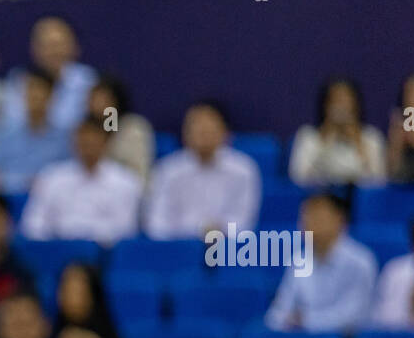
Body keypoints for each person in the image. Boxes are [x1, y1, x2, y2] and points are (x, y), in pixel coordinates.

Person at [144, 102, 261, 240]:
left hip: (227, 247)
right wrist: (194, 234)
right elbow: (156, 223)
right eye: (197, 127)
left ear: (225, 132)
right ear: (185, 133)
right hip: (179, 247)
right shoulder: (168, 170)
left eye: (210, 128)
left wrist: (218, 230)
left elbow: (245, 221)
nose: (204, 133)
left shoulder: (244, 169)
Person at [264, 192, 377, 333]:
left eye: (318, 215)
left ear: (340, 220)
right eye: (305, 215)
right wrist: (285, 320)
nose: (309, 222)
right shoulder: (299, 260)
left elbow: (355, 315)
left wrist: (305, 320)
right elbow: (278, 312)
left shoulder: (360, 261)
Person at [20, 114, 142, 245]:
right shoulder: (52, 177)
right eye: (83, 138)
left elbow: (126, 229)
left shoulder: (126, 182)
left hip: (103, 252)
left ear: (106, 142)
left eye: (94, 138)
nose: (88, 144)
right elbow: (33, 223)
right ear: (75, 141)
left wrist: (87, 240)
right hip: (58, 249)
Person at [0, 69, 71, 194]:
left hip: (50, 199)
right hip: (8, 200)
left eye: (41, 90)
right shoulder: (1, 131)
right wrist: (23, 183)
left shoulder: (65, 136)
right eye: (31, 89)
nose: (36, 95)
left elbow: (69, 177)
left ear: (53, 96)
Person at [0, 17, 96, 133]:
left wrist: (110, 131)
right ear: (34, 49)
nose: (55, 51)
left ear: (74, 46)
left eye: (60, 44)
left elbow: (111, 113)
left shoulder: (89, 79)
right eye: (48, 45)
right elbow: (12, 121)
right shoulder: (19, 80)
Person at [289, 77, 386, 186]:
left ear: (356, 106)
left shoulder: (371, 137)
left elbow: (380, 181)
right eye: (336, 102)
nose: (341, 109)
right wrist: (324, 139)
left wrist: (358, 143)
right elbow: (297, 178)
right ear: (325, 106)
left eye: (346, 102)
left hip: (359, 199)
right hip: (320, 197)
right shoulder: (308, 136)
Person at [49, 263, 126, 338]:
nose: (70, 296)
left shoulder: (107, 332)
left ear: (92, 293)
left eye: (78, 290)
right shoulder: (50, 332)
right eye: (66, 289)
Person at [86, 75, 153, 183]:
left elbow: (140, 174)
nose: (97, 104)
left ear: (116, 100)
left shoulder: (133, 128)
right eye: (93, 98)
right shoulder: (85, 130)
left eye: (103, 99)